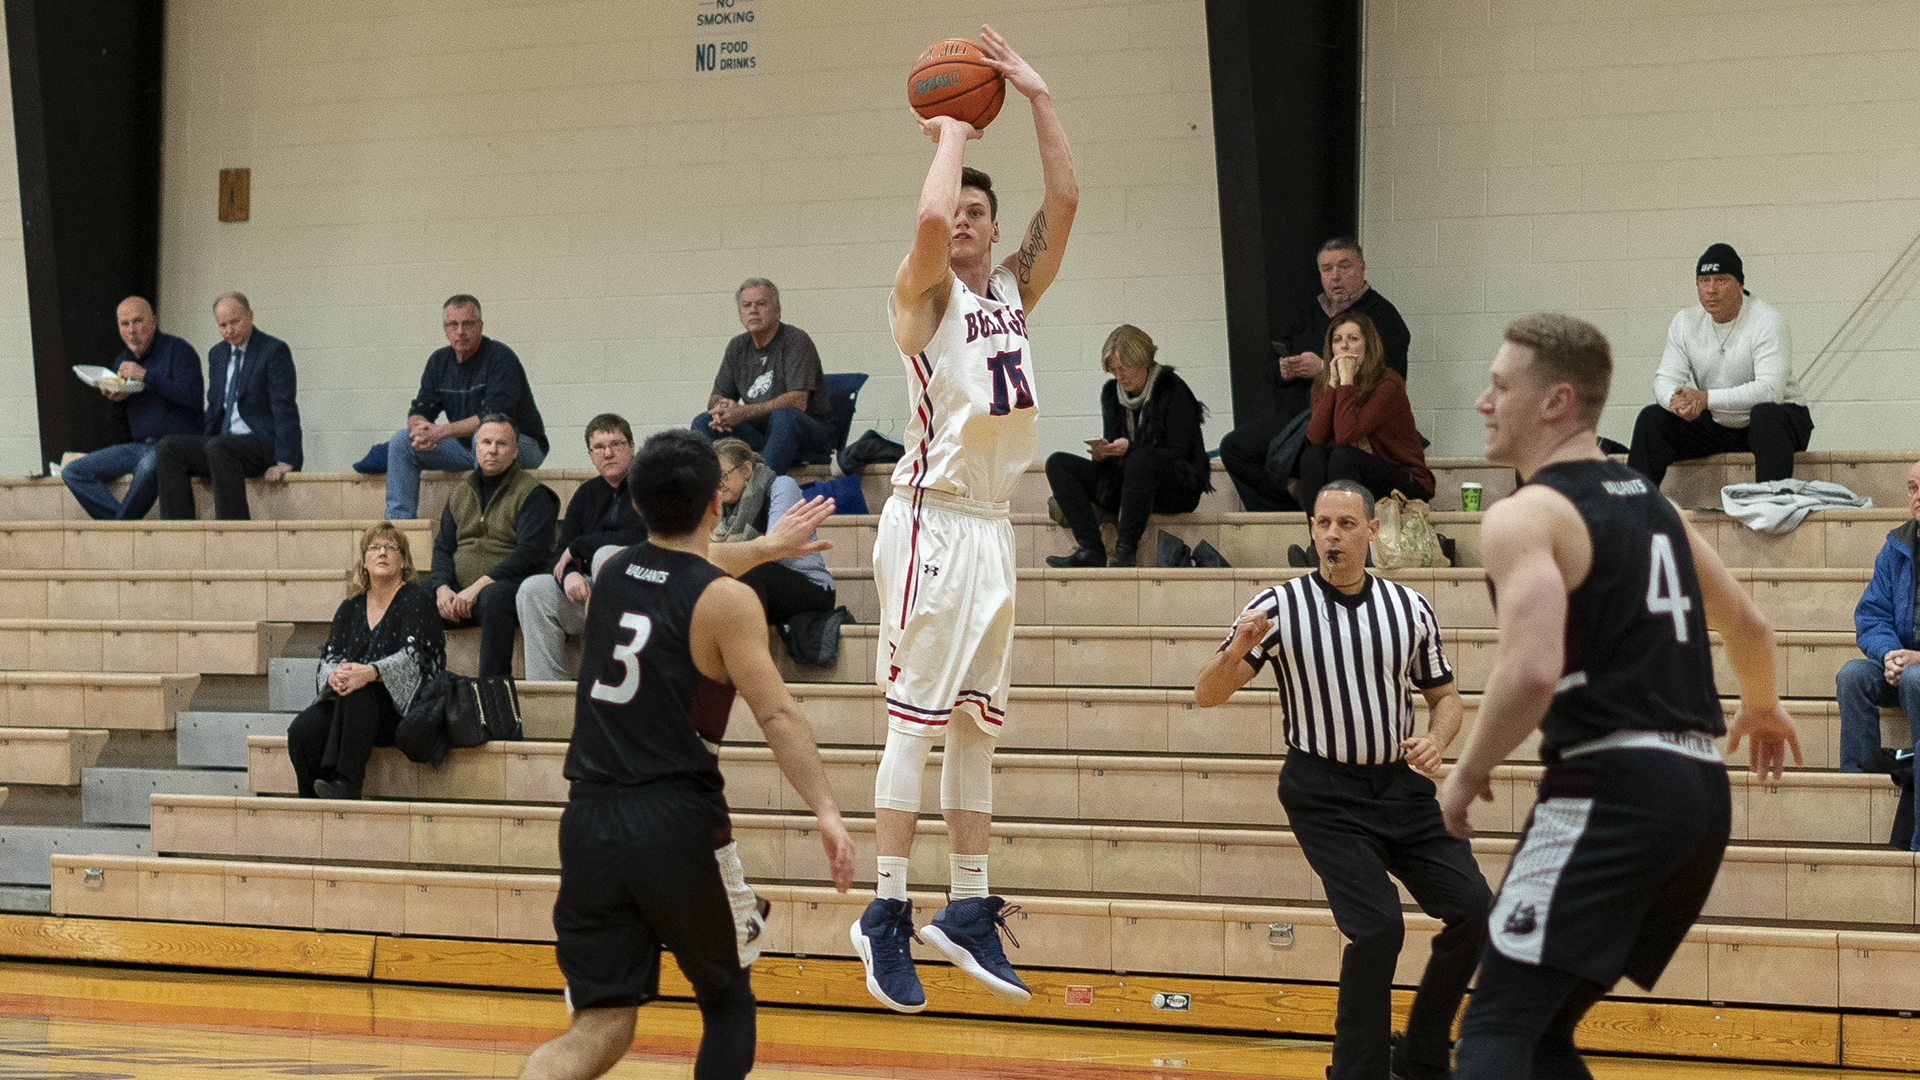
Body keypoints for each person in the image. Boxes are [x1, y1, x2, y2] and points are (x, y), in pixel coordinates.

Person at [1435, 313, 1801, 1079]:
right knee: (1541, 1034)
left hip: (1612, 788)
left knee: (1496, 1026)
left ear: (1556, 401)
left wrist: (1464, 776)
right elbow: (1751, 625)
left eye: (1501, 385)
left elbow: (1533, 669)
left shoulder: (1524, 514)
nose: (1482, 401)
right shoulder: (1650, 502)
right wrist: (1761, 707)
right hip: (1699, 797)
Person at [853, 23, 1078, 1015]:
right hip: (930, 522)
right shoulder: (922, 297)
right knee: (913, 722)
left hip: (993, 529)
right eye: (966, 213)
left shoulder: (1016, 296)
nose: (973, 224)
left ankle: (969, 908)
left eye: (986, 212)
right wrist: (948, 130)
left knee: (978, 727)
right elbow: (928, 225)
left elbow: (1065, 202)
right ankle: (886, 911)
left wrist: (1033, 95)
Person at [515, 430, 854, 1080]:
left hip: (586, 821)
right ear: (715, 504)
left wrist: (761, 548)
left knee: (600, 1027)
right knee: (727, 1004)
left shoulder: (612, 573)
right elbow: (779, 715)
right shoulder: (728, 602)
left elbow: (680, 566)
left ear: (637, 505)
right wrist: (828, 811)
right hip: (671, 821)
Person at [1194, 480, 1489, 1080]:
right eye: (1323, 523)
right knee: (1378, 928)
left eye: (1346, 524)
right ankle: (1356, 1073)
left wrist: (1437, 740)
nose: (1333, 535)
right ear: (1310, 529)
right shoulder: (1277, 607)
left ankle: (1422, 1048)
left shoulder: (1408, 608)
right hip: (1323, 792)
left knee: (1477, 909)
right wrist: (1236, 653)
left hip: (1401, 788)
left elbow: (1448, 697)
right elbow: (1206, 695)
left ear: (1371, 531)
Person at [1217, 238, 1412, 512]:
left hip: (1358, 423)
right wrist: (1285, 368)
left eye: (1344, 266)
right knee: (1234, 447)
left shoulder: (1383, 316)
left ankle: (1322, 519)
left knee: (1323, 453)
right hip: (1300, 419)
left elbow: (1389, 375)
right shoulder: (1307, 314)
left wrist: (1324, 368)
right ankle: (1282, 515)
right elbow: (1270, 364)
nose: (1335, 276)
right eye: (1327, 268)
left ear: (1362, 268)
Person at [1626, 243, 1813, 488]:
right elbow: (1664, 378)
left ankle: (1770, 509)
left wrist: (1705, 399)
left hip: (1780, 423)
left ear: (1740, 284)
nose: (1711, 290)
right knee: (1652, 418)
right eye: (1704, 281)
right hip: (1720, 422)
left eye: (1721, 280)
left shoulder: (1767, 320)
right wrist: (1677, 401)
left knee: (1765, 414)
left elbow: (1770, 391)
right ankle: (1633, 511)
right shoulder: (1685, 322)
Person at [286, 523, 446, 801]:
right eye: (374, 547)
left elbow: (419, 657)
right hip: (348, 704)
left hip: (399, 710)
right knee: (302, 729)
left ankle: (347, 785)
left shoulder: (417, 600)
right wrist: (334, 674)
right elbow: (329, 656)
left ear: (403, 559)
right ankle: (310, 798)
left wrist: (371, 672)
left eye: (390, 547)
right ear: (364, 561)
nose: (382, 553)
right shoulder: (350, 607)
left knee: (360, 693)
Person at [1042, 325, 1210, 568]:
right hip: (1129, 481)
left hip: (1174, 487)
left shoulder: (1172, 389)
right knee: (1058, 463)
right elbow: (1116, 452)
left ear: (1143, 361)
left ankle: (1126, 551)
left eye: (1125, 368)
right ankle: (1091, 549)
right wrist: (1103, 454)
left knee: (1140, 459)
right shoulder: (1112, 393)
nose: (1120, 376)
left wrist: (1130, 449)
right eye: (1114, 370)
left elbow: (1179, 456)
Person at [386, 294, 549, 520]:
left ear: (480, 326)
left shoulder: (501, 358)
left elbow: (492, 421)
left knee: (484, 438)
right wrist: (420, 428)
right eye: (453, 324)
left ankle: (486, 522)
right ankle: (398, 526)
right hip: (465, 446)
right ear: (445, 328)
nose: (460, 331)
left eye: (468, 323)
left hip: (522, 444)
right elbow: (421, 408)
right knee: (401, 441)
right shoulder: (438, 361)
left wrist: (440, 432)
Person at [515, 415, 649, 683]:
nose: (607, 453)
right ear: (590, 454)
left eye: (616, 444)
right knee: (533, 590)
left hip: (640, 598)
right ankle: (549, 690)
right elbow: (563, 550)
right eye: (599, 447)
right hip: (591, 597)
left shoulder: (649, 486)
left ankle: (615, 681)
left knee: (604, 556)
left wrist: (581, 546)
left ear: (632, 447)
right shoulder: (585, 493)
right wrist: (569, 576)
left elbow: (642, 537)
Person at [429, 415, 559, 678]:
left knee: (494, 596)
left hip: (507, 590)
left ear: (515, 451)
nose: (492, 449)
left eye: (501, 443)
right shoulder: (460, 492)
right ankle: (423, 688)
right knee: (415, 598)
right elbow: (443, 547)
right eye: (486, 442)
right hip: (460, 595)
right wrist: (442, 588)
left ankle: (493, 688)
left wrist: (478, 586)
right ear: (476, 446)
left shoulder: (534, 494)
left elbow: (529, 555)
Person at [155, 292, 302, 520]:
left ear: (250, 316)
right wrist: (205, 454)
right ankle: (179, 529)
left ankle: (234, 528)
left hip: (259, 442)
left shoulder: (273, 351)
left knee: (219, 448)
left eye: (234, 322)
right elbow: (214, 408)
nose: (229, 330)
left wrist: (286, 460)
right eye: (222, 325)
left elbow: (284, 407)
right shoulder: (217, 354)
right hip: (223, 443)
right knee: (168, 447)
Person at [1834, 458, 1920, 848]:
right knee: (1852, 675)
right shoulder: (1897, 546)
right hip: (1901, 667)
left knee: (1917, 678)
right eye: (1913, 488)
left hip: (1917, 672)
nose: (1917, 498)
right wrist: (1889, 654)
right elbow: (1871, 615)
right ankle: (1858, 785)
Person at [62, 296, 203, 520]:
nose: (132, 330)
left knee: (147, 466)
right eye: (124, 324)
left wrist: (147, 376)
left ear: (154, 322)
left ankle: (122, 529)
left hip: (175, 446)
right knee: (73, 471)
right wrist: (115, 399)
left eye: (138, 321)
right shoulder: (122, 361)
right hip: (139, 446)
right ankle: (124, 526)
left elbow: (194, 398)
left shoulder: (178, 350)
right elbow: (118, 421)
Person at [690, 279, 836, 476]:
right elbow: (717, 397)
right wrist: (722, 409)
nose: (753, 310)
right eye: (746, 305)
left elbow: (797, 402)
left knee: (783, 417)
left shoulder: (795, 340)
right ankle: (703, 494)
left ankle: (760, 491)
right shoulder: (737, 347)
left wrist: (743, 412)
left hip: (807, 434)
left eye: (761, 304)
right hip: (760, 435)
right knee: (703, 421)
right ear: (740, 313)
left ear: (778, 310)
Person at [1296, 311, 1433, 519]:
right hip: (1353, 474)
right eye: (1337, 340)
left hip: (1406, 479)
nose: (1344, 346)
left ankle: (1352, 543)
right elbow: (1314, 437)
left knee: (1342, 456)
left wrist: (1346, 381)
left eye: (1353, 339)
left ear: (1368, 346)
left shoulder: (1388, 384)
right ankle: (1318, 545)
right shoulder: (1324, 384)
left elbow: (1345, 436)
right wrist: (1332, 384)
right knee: (1312, 457)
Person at [710, 439, 836, 624]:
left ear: (746, 469)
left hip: (810, 587)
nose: (718, 485)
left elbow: (775, 549)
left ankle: (749, 648)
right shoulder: (722, 507)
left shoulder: (781, 486)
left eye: (724, 475)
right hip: (768, 587)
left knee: (749, 568)